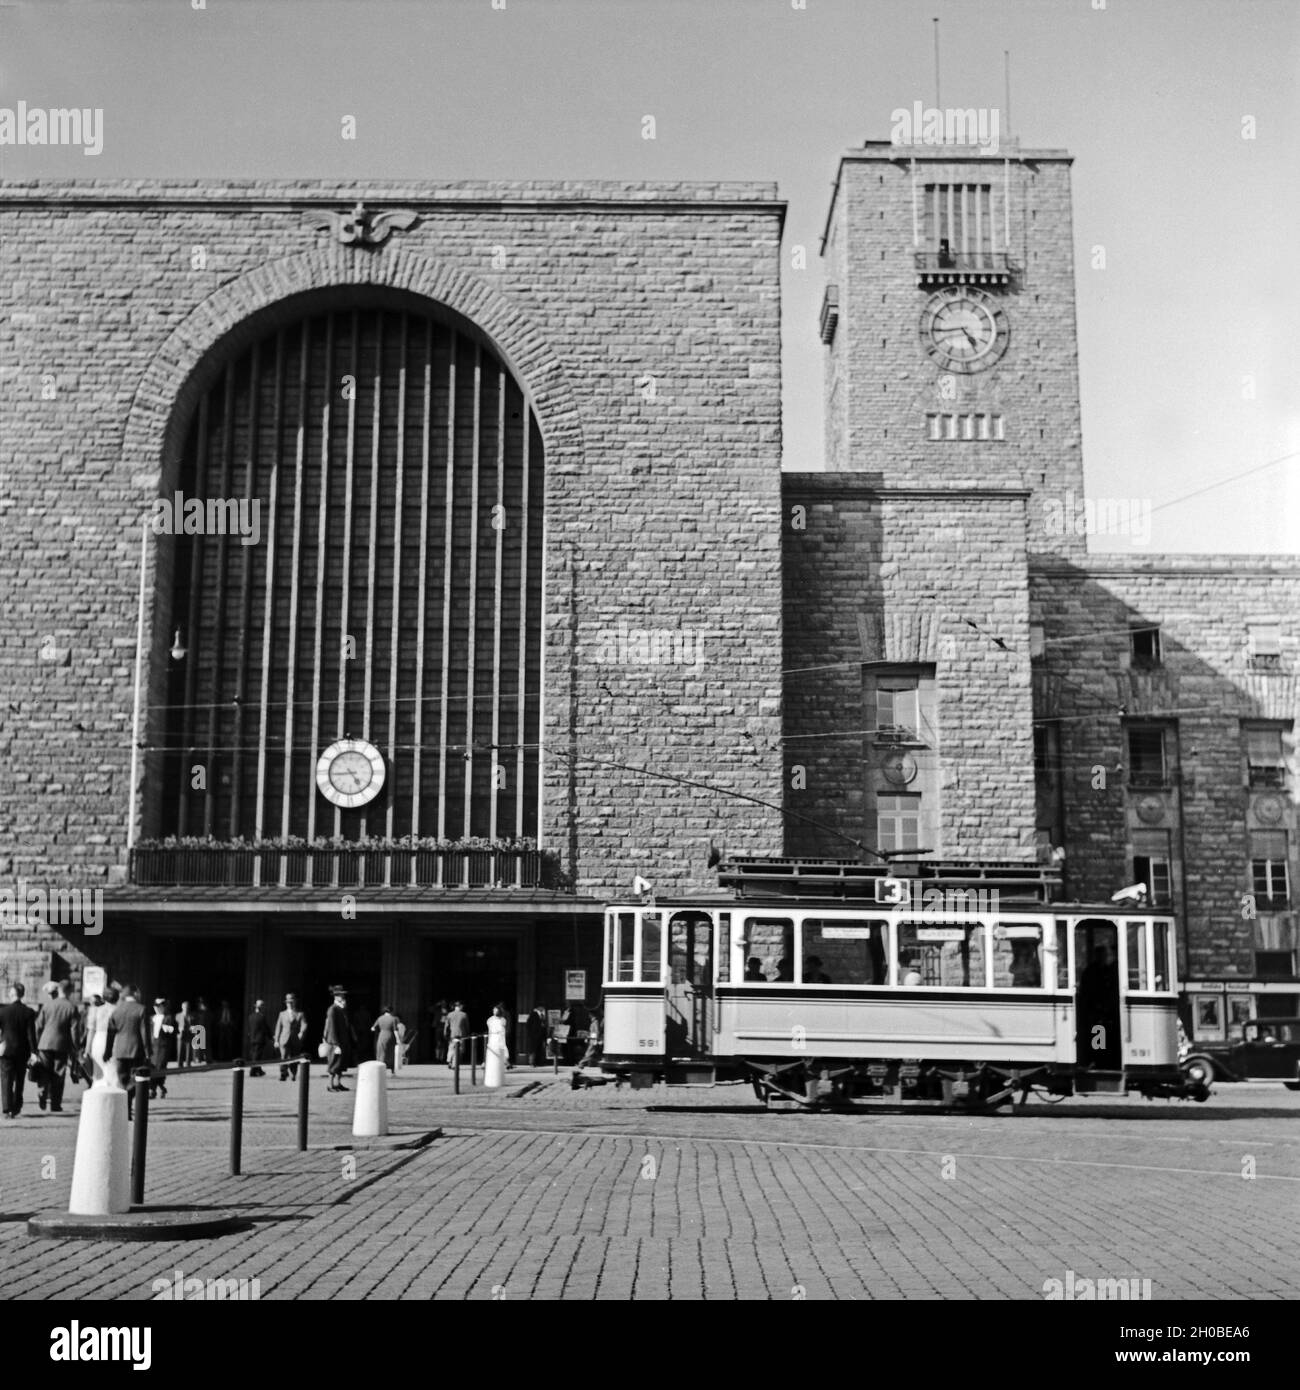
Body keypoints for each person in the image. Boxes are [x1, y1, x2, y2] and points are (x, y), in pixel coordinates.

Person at [104, 984, 151, 1119]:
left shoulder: (117, 1011)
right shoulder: (141, 1009)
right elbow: (145, 1033)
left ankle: (126, 1110)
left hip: (120, 1050)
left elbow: (110, 1032)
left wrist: (107, 1051)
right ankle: (128, 1103)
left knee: (123, 1079)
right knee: (135, 1080)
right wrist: (148, 1052)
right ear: (135, 994)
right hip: (137, 1050)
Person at [35, 980, 80, 1113]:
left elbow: (38, 1026)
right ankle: (55, 1104)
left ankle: (42, 1093)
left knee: (44, 1071)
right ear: (69, 991)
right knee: (59, 1073)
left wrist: (37, 1044)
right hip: (62, 1044)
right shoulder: (71, 1007)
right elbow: (74, 1030)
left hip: (44, 1043)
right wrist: (75, 1047)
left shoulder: (47, 1005)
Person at [0, 983, 39, 1118]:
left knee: (6, 1078)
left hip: (5, 1049)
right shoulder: (29, 1012)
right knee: (19, 1079)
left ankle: (7, 1107)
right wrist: (34, 1051)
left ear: (11, 995)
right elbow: (31, 1034)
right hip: (22, 1051)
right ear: (22, 995)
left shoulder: (3, 1011)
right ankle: (16, 1106)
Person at [322, 987, 355, 1092]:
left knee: (341, 1064)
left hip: (343, 1041)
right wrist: (335, 1044)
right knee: (334, 1063)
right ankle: (330, 1085)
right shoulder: (333, 1009)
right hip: (336, 1042)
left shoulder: (342, 1009)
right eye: (341, 995)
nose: (343, 997)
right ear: (336, 997)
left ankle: (338, 1083)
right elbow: (331, 1027)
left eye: (343, 995)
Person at [85, 986, 118, 1086]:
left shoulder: (95, 1010)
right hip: (115, 1039)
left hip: (98, 1039)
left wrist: (87, 1049)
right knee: (113, 1068)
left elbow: (91, 1031)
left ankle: (98, 1090)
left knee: (98, 1071)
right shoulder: (118, 1010)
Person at [275, 993, 308, 1080]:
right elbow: (278, 1027)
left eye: (291, 1002)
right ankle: (283, 1073)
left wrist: (301, 1031)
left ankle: (293, 1074)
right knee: (283, 1057)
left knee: (294, 1058)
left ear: (295, 1002)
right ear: (286, 1003)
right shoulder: (282, 1014)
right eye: (288, 1002)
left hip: (295, 1039)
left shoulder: (300, 1014)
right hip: (284, 1039)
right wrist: (276, 1040)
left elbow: (304, 1024)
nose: (289, 1004)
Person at [148, 998, 176, 1099]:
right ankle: (158, 1088)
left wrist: (167, 1028)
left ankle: (154, 1088)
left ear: (163, 1007)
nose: (157, 1008)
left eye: (159, 1007)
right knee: (152, 1067)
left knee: (160, 1067)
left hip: (163, 1046)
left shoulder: (168, 1017)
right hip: (153, 1046)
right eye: (155, 1007)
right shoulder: (152, 1018)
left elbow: (173, 1030)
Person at [484, 1005, 510, 1088]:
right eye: (494, 1010)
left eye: (496, 1010)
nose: (495, 1012)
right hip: (493, 1038)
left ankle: (505, 1063)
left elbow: (503, 1028)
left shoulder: (502, 1020)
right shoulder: (490, 1020)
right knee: (493, 1052)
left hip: (500, 1038)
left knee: (503, 1051)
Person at [372, 1005, 401, 1072]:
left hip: (381, 1036)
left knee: (381, 1052)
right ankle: (392, 1069)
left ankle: (380, 1068)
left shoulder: (380, 1018)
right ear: (391, 1011)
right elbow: (395, 1030)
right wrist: (398, 1039)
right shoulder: (393, 1019)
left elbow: (373, 1028)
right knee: (390, 1052)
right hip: (390, 1036)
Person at [246, 999, 271, 1077]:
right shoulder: (261, 1017)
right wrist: (271, 1037)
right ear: (261, 1007)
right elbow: (265, 1028)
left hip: (252, 1038)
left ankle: (259, 1071)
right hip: (259, 1039)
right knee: (257, 1056)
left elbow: (249, 1029)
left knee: (255, 1055)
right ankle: (252, 1071)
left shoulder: (250, 1016)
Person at [444, 1000, 469, 1068]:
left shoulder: (449, 1014)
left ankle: (449, 1060)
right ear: (460, 1006)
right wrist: (467, 1033)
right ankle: (454, 1064)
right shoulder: (464, 1014)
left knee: (451, 1048)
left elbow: (446, 1026)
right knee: (459, 1050)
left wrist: (445, 1034)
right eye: (462, 1006)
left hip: (452, 1034)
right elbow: (467, 1026)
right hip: (461, 1034)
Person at [191, 998, 210, 1064]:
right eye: (200, 1003)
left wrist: (205, 1010)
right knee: (196, 1046)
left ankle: (207, 1059)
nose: (201, 1005)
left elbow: (209, 1020)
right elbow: (192, 1021)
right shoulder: (195, 1013)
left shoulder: (206, 1012)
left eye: (202, 1003)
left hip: (204, 1030)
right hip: (197, 1030)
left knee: (205, 1045)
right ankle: (197, 1058)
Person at [175, 1001, 193, 1068]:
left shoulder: (191, 1016)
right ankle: (179, 1064)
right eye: (185, 1007)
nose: (186, 1008)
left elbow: (195, 1024)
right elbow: (175, 1025)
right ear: (182, 1007)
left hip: (189, 1034)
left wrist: (193, 1027)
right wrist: (178, 1030)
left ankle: (188, 1064)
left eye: (187, 1007)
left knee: (188, 1050)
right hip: (180, 1035)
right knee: (180, 1050)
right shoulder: (177, 1016)